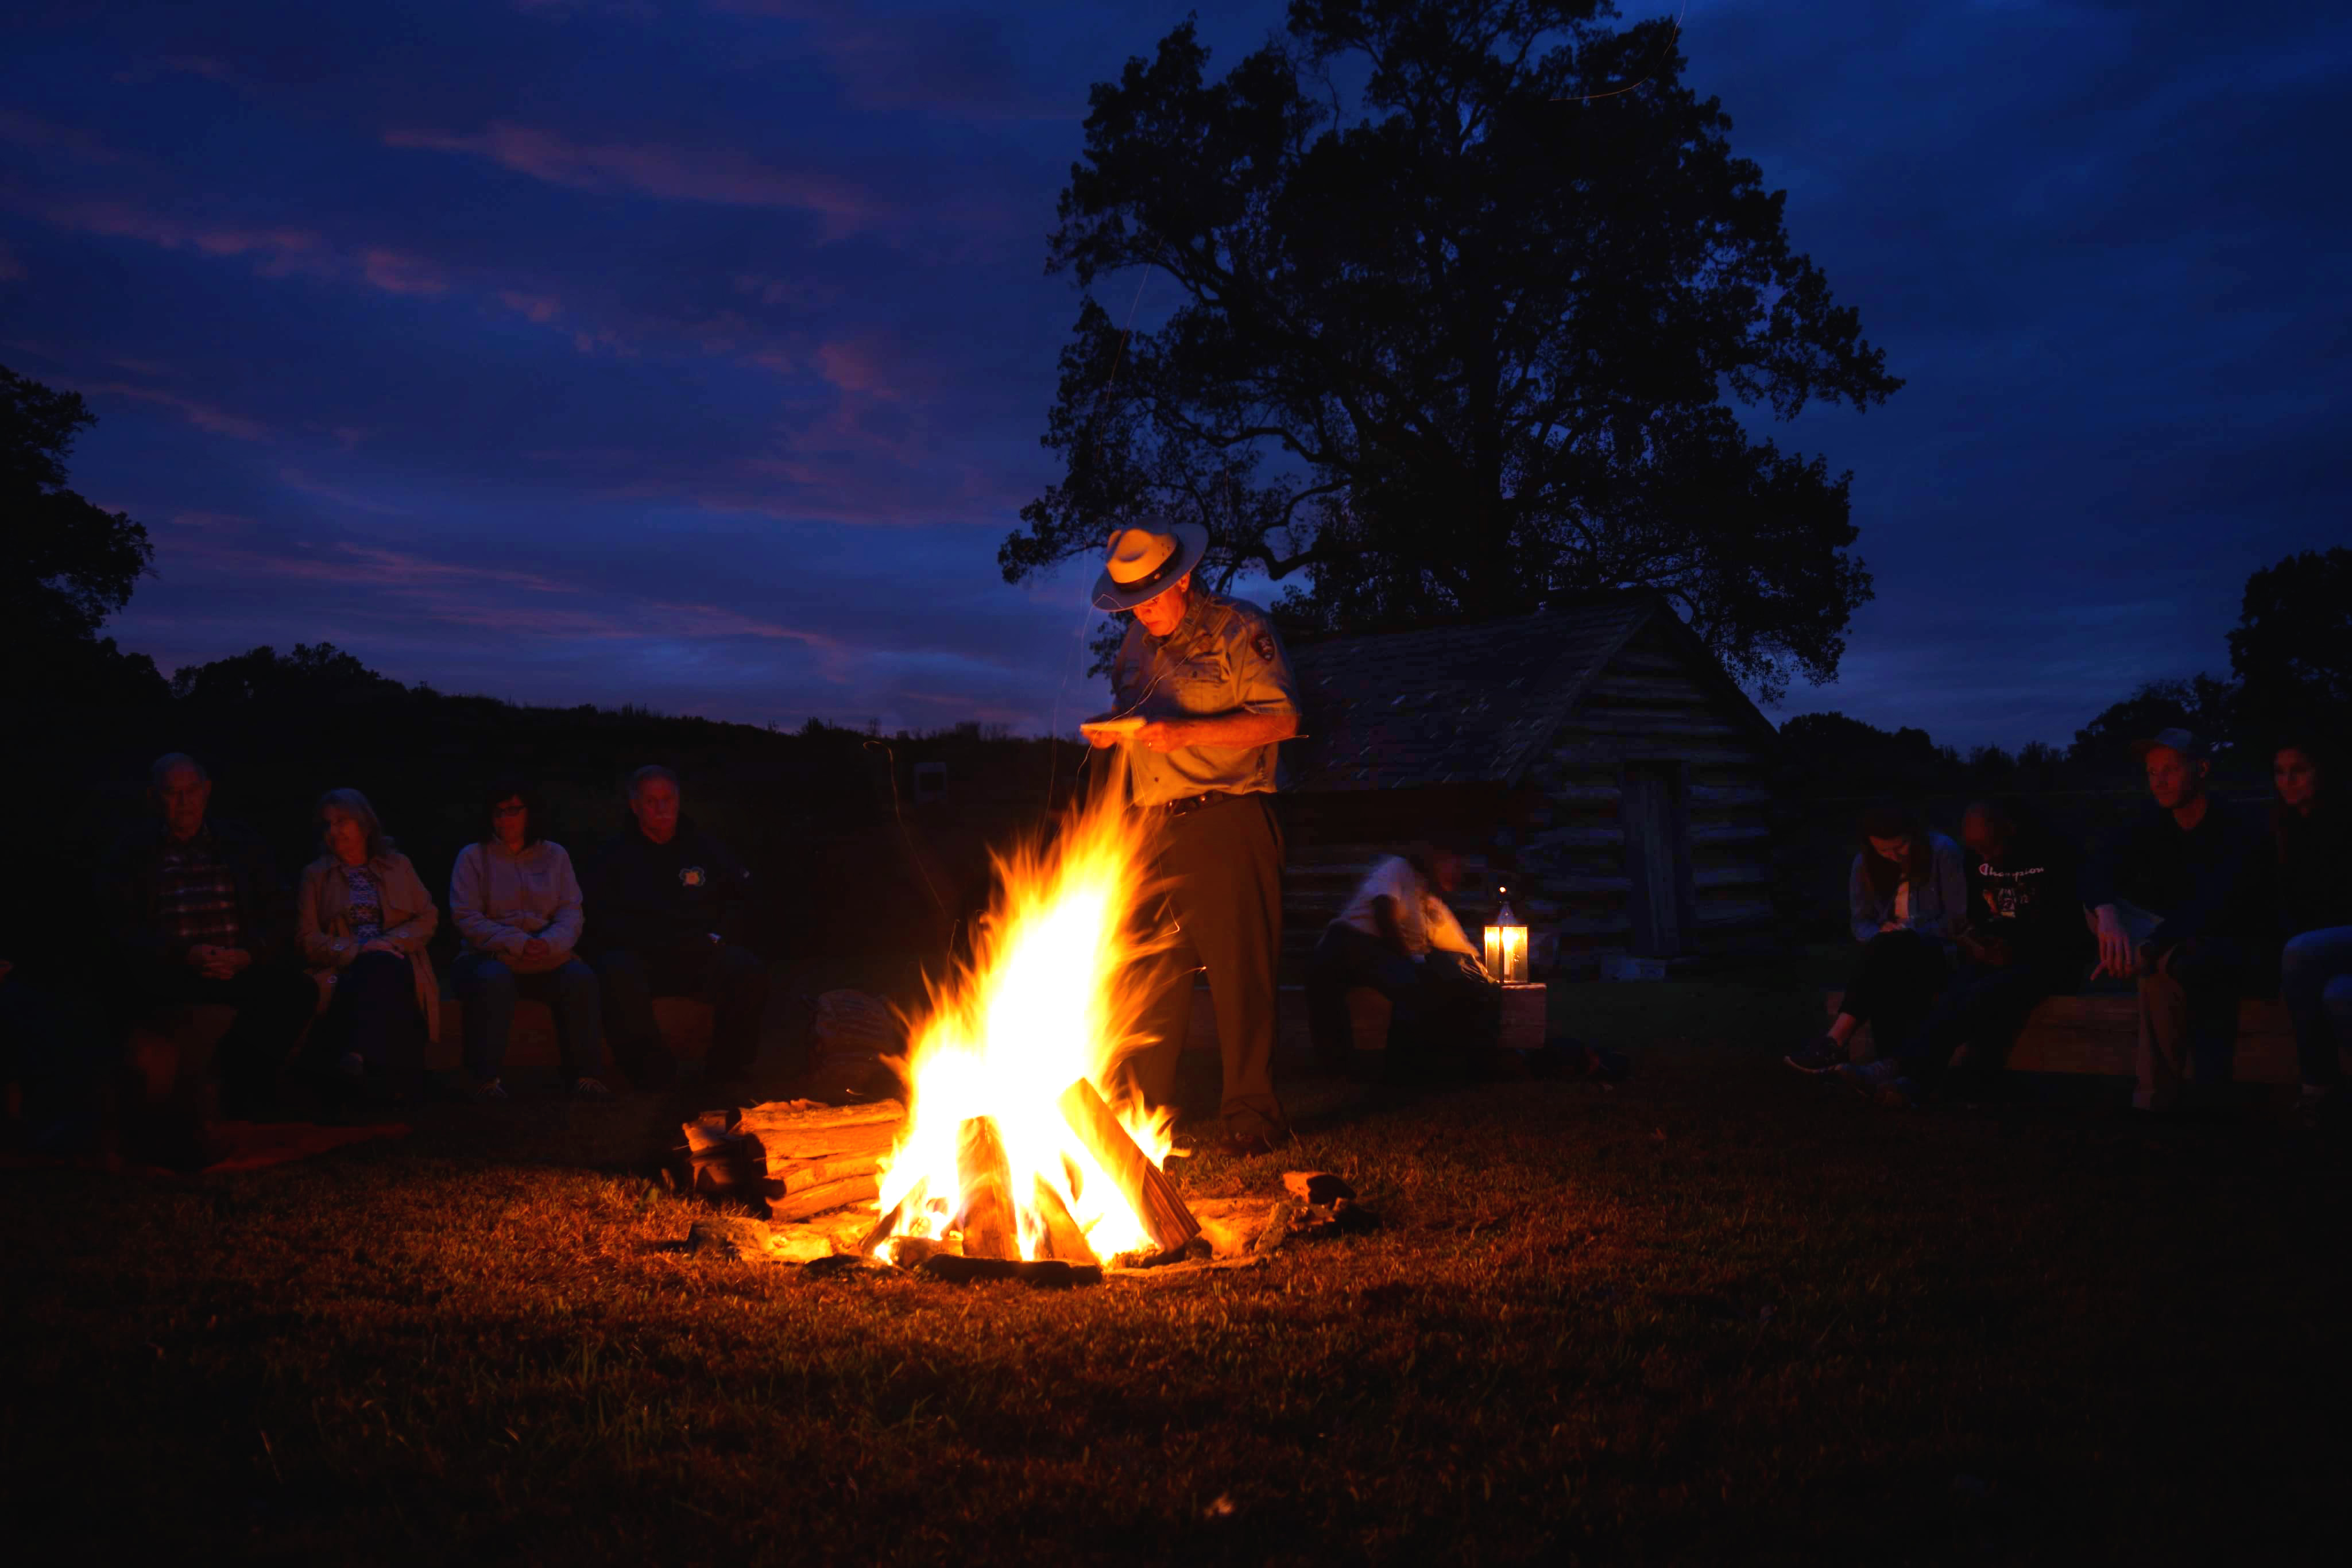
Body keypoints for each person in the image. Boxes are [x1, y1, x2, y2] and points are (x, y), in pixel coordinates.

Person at [1085, 519, 1301, 1155]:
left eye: (1151, 597)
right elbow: (1139, 718)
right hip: (1154, 824)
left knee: (1240, 971)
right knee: (1151, 971)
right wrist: (1114, 730)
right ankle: (1146, 1119)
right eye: (1130, 603)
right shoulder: (1135, 644)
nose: (1142, 611)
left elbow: (1282, 720)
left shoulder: (1239, 629)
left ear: (1182, 578)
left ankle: (1251, 1118)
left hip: (1226, 818)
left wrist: (1184, 733)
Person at [97, 753, 317, 1119]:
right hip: (172, 970)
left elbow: (278, 907)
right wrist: (185, 954)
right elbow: (122, 927)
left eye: (191, 791)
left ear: (207, 792)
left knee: (296, 991)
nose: (183, 802)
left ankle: (240, 1089)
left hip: (238, 964)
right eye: (172, 793)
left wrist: (250, 953)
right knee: (124, 993)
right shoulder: (131, 853)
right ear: (154, 797)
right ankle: (148, 1104)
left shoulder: (240, 843)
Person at [1836, 797, 2088, 1108]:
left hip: (2049, 958)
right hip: (1999, 951)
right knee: (1959, 986)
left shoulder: (2053, 853)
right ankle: (1909, 1077)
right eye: (1976, 849)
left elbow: (2066, 927)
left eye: (1989, 847)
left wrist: (2019, 949)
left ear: (2010, 829)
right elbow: (1976, 917)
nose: (1984, 857)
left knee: (1982, 994)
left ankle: (1908, 1072)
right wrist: (1976, 941)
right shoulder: (1976, 859)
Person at [2080, 727, 2269, 1114]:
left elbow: (2215, 905)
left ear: (2201, 769)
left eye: (2169, 769)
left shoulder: (2234, 827)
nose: (2158, 781)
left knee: (2160, 974)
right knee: (2095, 908)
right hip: (2161, 936)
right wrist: (2109, 913)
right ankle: (2153, 956)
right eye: (2151, 772)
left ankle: (2154, 1099)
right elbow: (2097, 866)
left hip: (2217, 937)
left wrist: (2151, 947)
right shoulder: (2150, 822)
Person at [582, 766, 768, 1090]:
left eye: (667, 799)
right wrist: (640, 940)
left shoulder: (706, 849)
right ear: (635, 806)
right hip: (644, 958)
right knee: (615, 968)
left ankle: (727, 1066)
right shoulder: (614, 855)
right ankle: (650, 1069)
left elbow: (741, 897)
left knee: (746, 969)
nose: (661, 808)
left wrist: (719, 936)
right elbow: (600, 915)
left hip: (698, 953)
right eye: (651, 801)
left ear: (679, 801)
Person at [448, 779, 609, 1102]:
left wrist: (549, 943)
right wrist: (516, 941)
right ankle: (484, 1079)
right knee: (492, 980)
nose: (504, 819)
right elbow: (466, 916)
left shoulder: (555, 856)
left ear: (529, 813)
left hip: (546, 957)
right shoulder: (473, 857)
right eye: (498, 812)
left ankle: (586, 1076)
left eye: (512, 811)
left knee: (580, 979)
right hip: (490, 956)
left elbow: (571, 911)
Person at [1785, 804, 1967, 1075]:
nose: (1893, 855)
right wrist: (1882, 935)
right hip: (1887, 953)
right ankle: (1888, 1068)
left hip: (1935, 949)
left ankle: (1835, 1040)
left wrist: (1910, 935)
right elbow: (1860, 923)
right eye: (1883, 850)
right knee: (1888, 953)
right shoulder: (1864, 864)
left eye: (1901, 846)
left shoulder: (1942, 851)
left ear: (1914, 835)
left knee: (1891, 949)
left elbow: (1957, 919)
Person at [1307, 843, 1502, 1082]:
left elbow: (1446, 938)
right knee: (1411, 987)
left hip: (1379, 951)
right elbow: (1383, 912)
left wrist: (1475, 963)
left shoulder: (1427, 898)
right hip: (1351, 942)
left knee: (1421, 988)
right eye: (1451, 864)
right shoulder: (1396, 869)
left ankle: (1409, 1067)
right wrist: (1406, 960)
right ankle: (1366, 1069)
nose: (1457, 873)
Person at [296, 788, 439, 1099]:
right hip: (346, 966)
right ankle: (393, 1081)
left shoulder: (398, 865)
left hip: (397, 958)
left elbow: (428, 916)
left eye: (342, 822)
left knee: (383, 966)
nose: (333, 832)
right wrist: (358, 950)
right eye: (327, 824)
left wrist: (390, 942)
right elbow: (307, 938)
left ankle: (358, 1057)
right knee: (374, 970)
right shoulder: (316, 875)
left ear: (365, 824)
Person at [2269, 737, 2352, 1124]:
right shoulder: (2285, 828)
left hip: (2333, 941)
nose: (2288, 781)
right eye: (2280, 772)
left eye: (2299, 771)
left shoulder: (2341, 819)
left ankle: (2315, 1086)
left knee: (2299, 951)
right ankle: (2333, 1096)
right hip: (2334, 951)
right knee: (2338, 994)